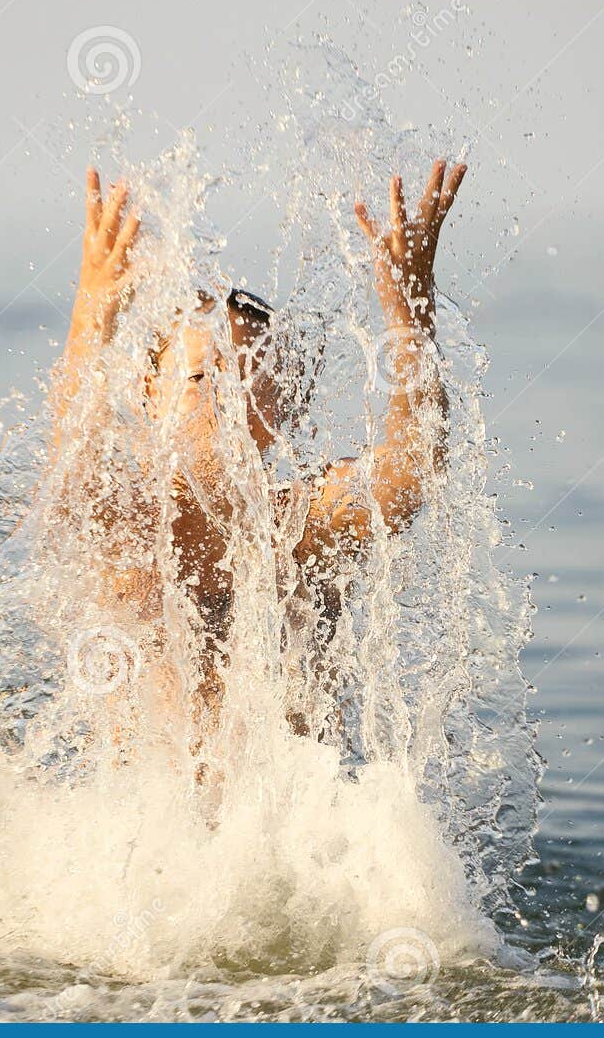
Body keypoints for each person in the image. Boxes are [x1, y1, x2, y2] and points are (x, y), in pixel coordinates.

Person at [43, 159, 467, 749]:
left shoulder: (303, 524)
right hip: (148, 826)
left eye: (245, 381)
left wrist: (409, 323)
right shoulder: (134, 528)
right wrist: (91, 320)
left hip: (283, 828)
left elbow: (406, 478)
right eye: (198, 378)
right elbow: (68, 493)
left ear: (286, 408)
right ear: (148, 398)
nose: (222, 398)